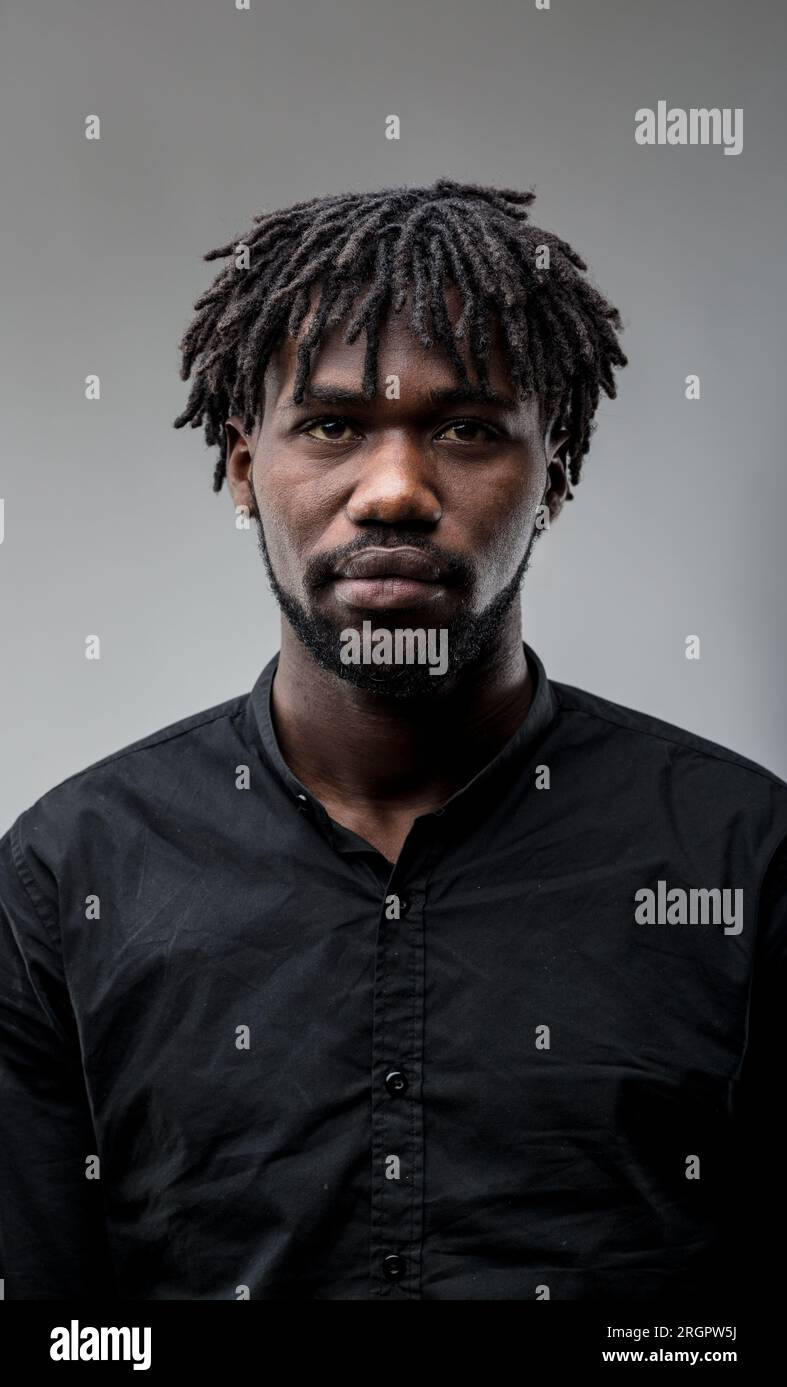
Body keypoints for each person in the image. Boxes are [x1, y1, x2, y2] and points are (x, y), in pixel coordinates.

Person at [1, 179, 785, 1300]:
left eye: (466, 429)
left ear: (553, 470)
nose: (395, 492)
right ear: (239, 466)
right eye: (331, 426)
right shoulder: (66, 878)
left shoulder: (741, 857)